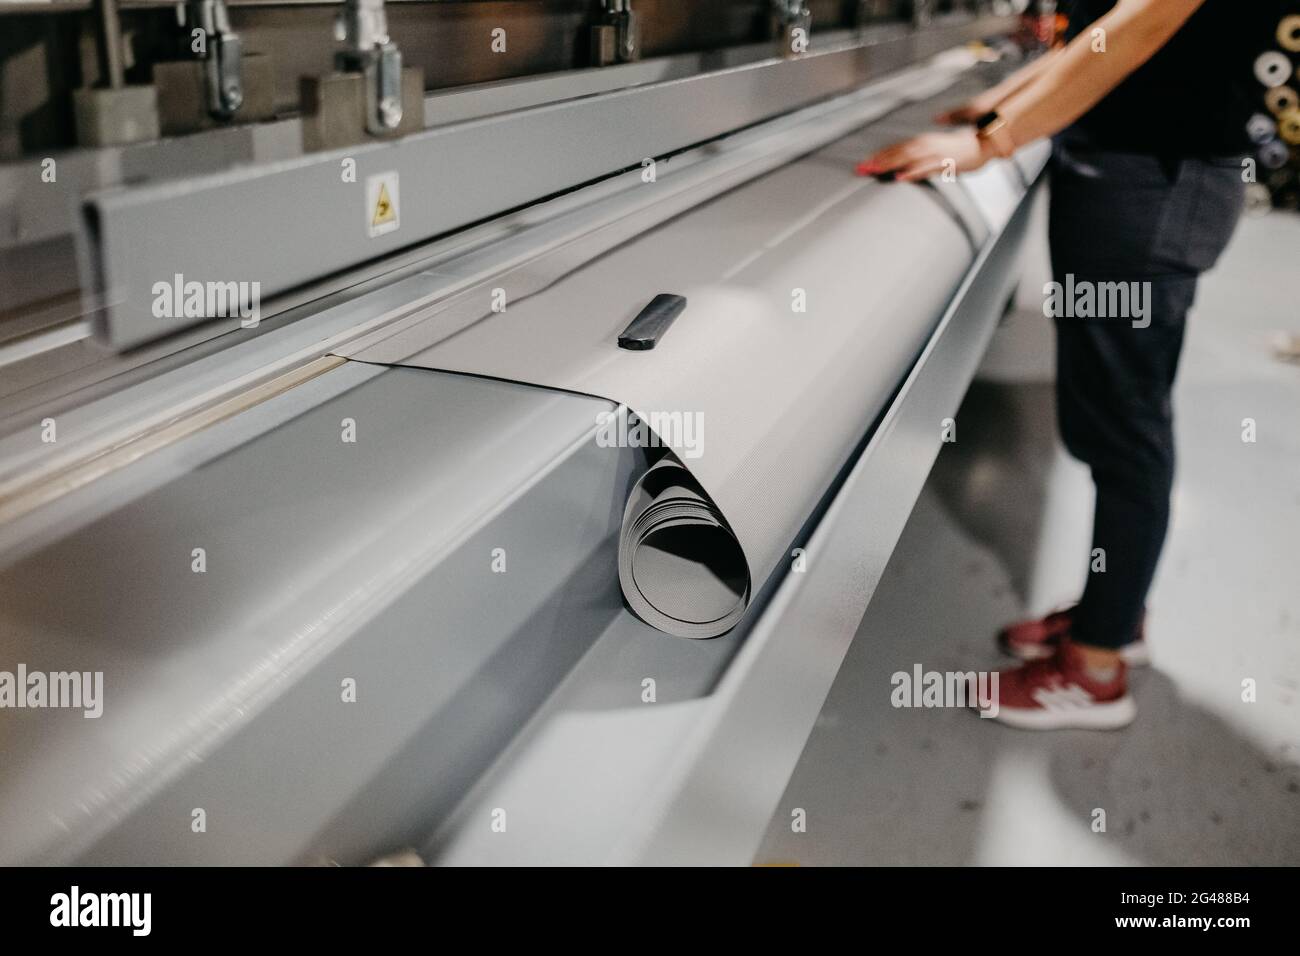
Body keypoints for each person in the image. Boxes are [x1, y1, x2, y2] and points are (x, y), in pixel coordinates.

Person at [859, 0, 1264, 730]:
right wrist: (1004, 104)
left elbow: (1144, 19)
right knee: (1108, 419)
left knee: (1126, 431)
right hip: (1132, 170)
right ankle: (1113, 618)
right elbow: (1100, 34)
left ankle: (1095, 672)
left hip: (1153, 178)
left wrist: (993, 140)